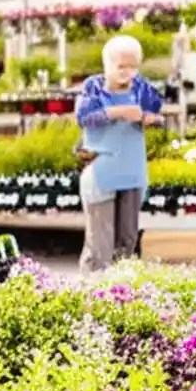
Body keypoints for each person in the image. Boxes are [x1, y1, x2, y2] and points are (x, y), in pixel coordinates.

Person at [74, 34, 166, 273]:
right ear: (107, 65)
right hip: (102, 173)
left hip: (132, 173)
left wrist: (151, 119)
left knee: (127, 241)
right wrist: (119, 112)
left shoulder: (141, 88)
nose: (128, 73)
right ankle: (91, 295)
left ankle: (120, 294)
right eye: (122, 66)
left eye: (133, 66)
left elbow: (158, 115)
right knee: (99, 246)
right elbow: (84, 118)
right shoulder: (93, 88)